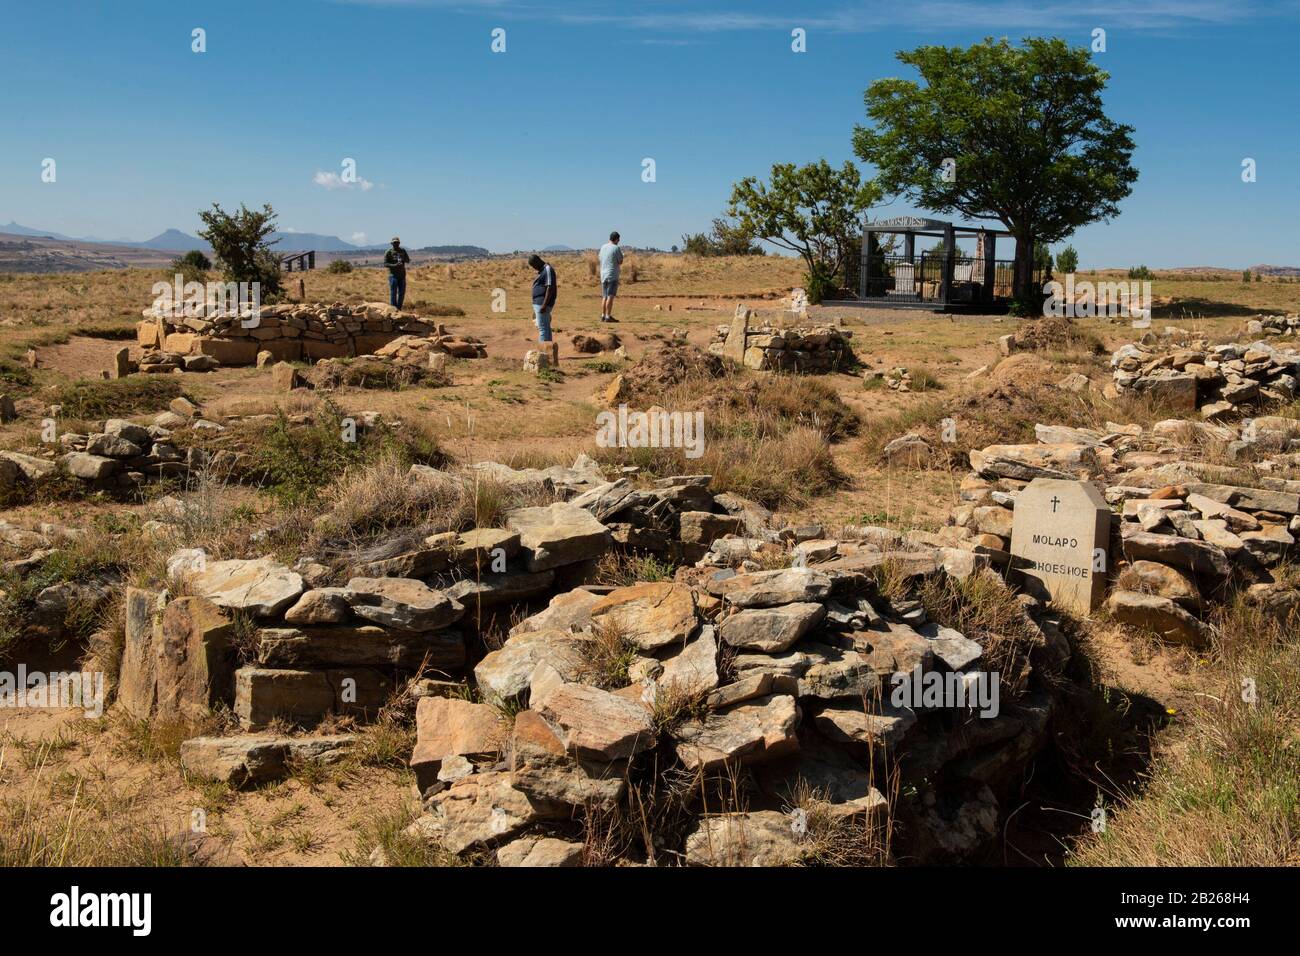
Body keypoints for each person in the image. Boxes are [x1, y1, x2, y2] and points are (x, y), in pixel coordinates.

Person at [528, 253, 557, 343]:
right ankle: (549, 351)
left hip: (542, 303)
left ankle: (543, 352)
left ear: (537, 261)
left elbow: (550, 287)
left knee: (542, 329)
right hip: (540, 303)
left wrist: (544, 304)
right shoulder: (543, 270)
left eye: (533, 265)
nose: (533, 267)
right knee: (546, 328)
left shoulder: (547, 269)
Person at [598, 231, 624, 322]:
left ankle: (603, 315)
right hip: (612, 275)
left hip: (603, 274)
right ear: (616, 239)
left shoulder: (603, 247)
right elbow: (620, 261)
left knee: (604, 296)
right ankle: (608, 316)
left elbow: (600, 258)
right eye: (618, 239)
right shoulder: (616, 248)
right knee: (610, 296)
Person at [384, 236, 410, 309]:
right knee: (393, 293)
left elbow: (408, 260)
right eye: (395, 242)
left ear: (399, 243)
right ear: (392, 243)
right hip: (393, 276)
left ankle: (399, 309)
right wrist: (394, 265)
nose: (396, 244)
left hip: (402, 275)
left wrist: (403, 259)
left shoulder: (403, 251)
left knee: (402, 293)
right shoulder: (388, 252)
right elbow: (385, 264)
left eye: (397, 242)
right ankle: (393, 309)